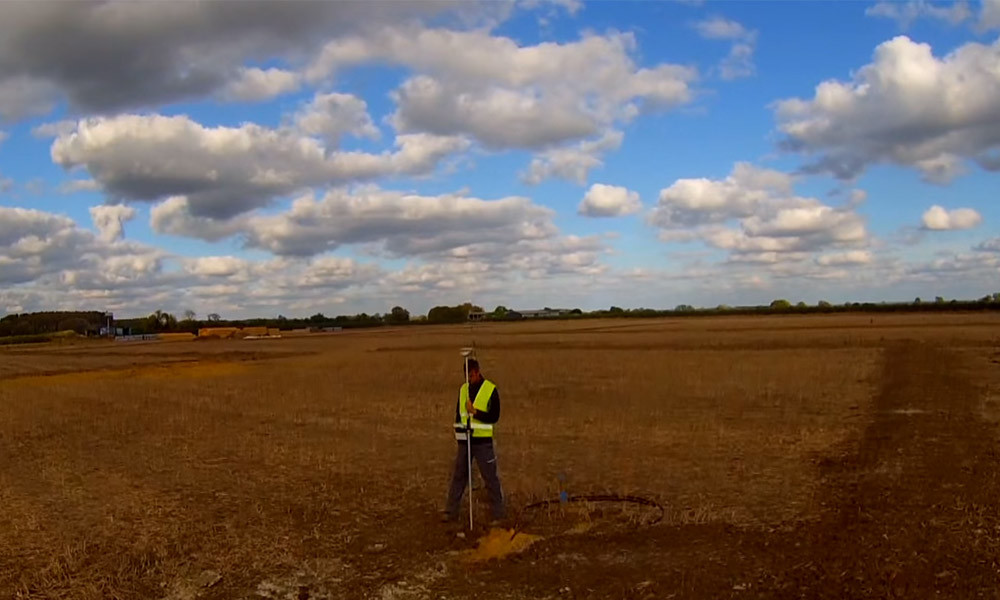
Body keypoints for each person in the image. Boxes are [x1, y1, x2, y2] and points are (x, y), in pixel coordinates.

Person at [443, 358, 505, 523]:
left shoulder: (490, 389)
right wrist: (458, 431)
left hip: (483, 442)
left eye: (471, 376)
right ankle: (451, 512)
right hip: (465, 441)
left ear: (477, 372)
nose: (468, 379)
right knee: (459, 476)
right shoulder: (463, 389)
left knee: (490, 477)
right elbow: (459, 414)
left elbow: (494, 416)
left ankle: (498, 513)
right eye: (466, 376)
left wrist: (476, 412)